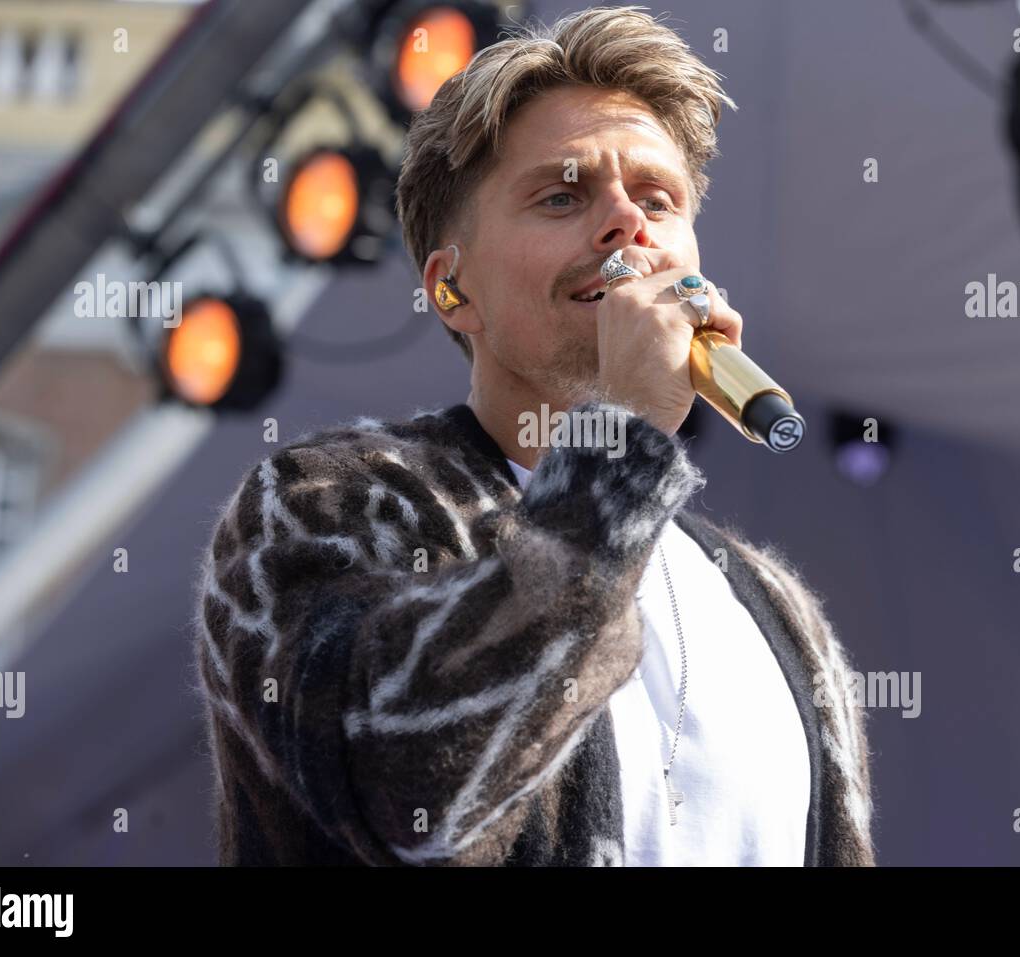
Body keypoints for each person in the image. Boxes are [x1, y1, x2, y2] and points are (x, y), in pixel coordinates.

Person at [193, 5, 874, 866]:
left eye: (658, 199)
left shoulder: (776, 610)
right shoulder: (320, 506)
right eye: (561, 195)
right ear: (452, 289)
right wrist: (621, 442)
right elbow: (411, 789)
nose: (627, 224)